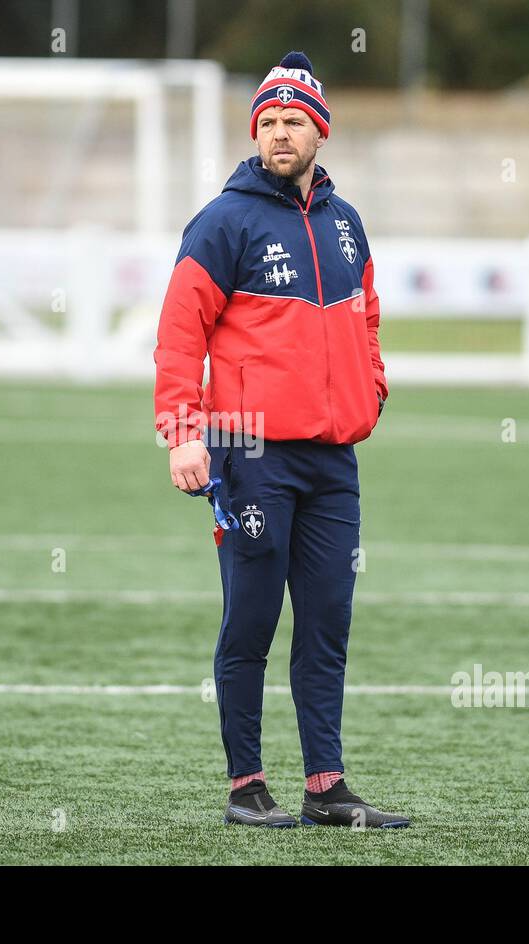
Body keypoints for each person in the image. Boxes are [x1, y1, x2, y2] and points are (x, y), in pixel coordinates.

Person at [152, 51, 410, 829]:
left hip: (333, 460)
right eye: (267, 122)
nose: (278, 134)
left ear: (320, 132)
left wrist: (372, 390)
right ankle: (245, 788)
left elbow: (365, 319)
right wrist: (181, 433)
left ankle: (326, 787)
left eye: (293, 120)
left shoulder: (344, 223)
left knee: (327, 625)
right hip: (248, 450)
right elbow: (177, 333)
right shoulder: (223, 220)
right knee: (252, 621)